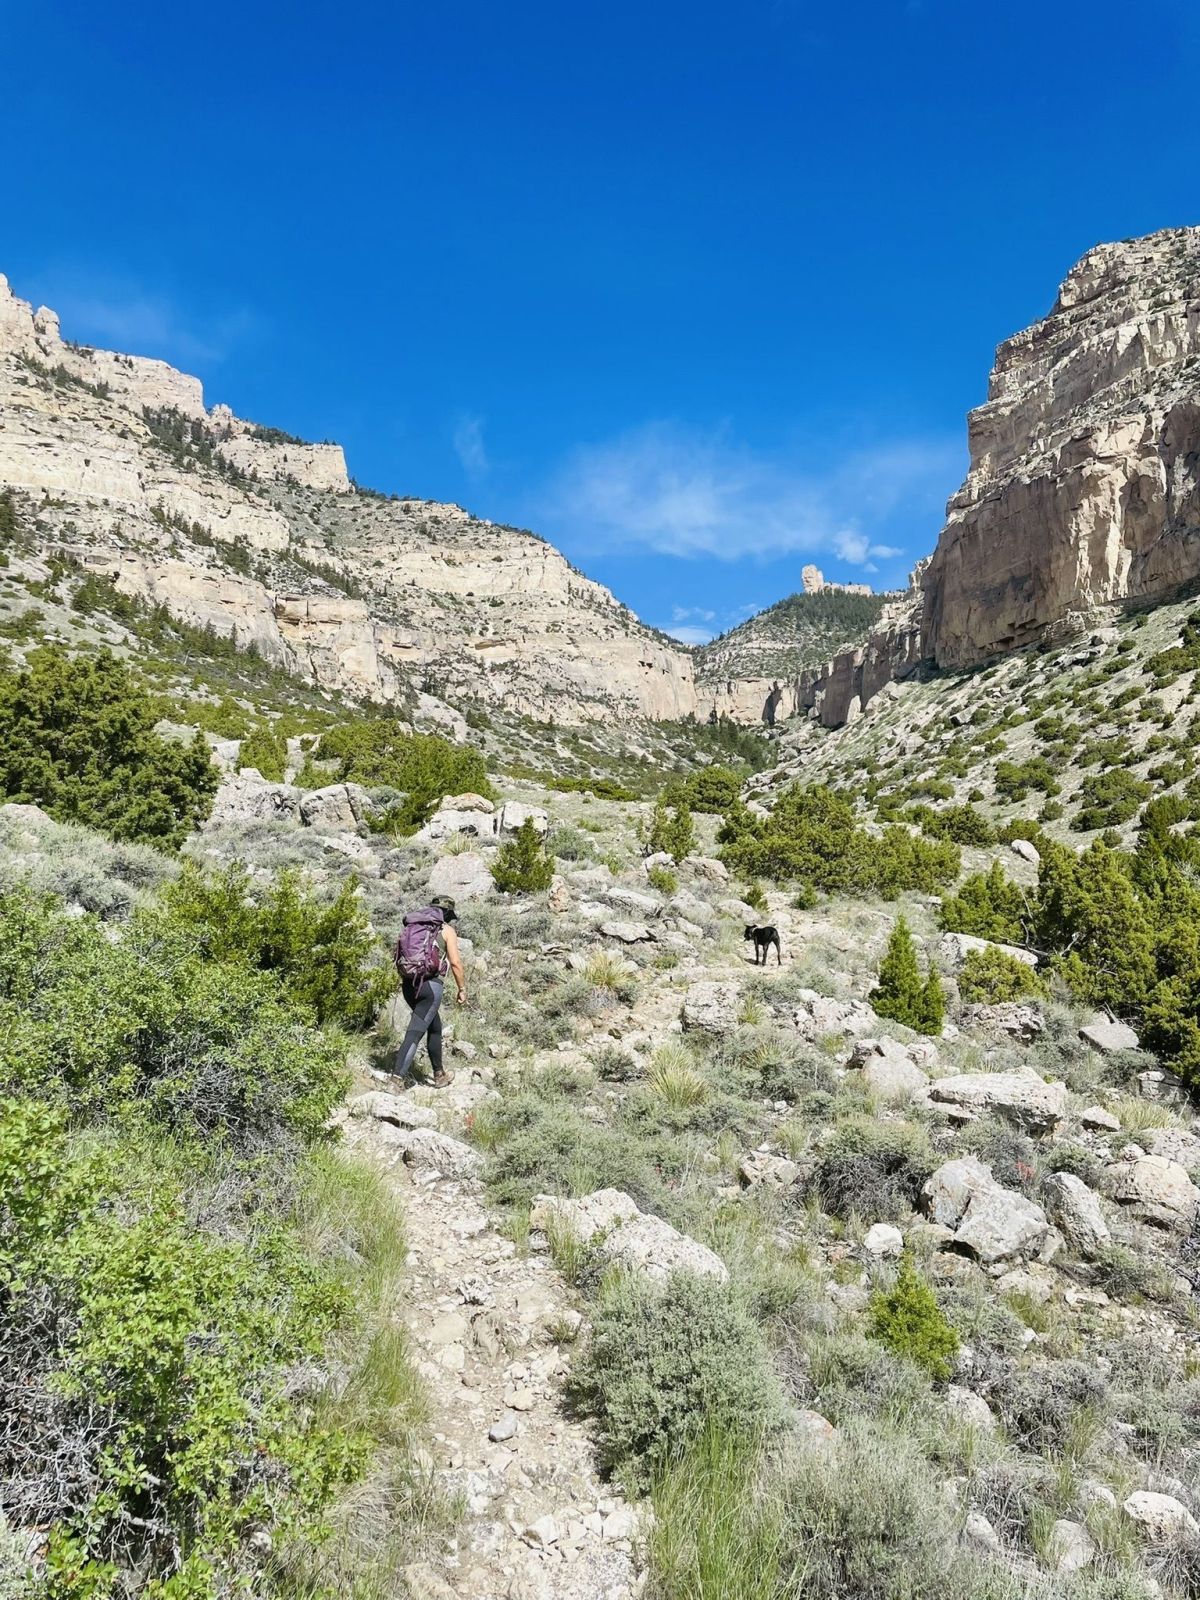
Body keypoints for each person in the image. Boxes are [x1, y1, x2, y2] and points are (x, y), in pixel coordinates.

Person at [393, 895, 467, 1088]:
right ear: (448, 913)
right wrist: (462, 989)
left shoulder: (414, 925)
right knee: (415, 1031)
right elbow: (456, 963)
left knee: (434, 1026)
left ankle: (439, 1074)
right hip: (430, 987)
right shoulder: (446, 930)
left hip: (409, 983)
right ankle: (396, 1079)